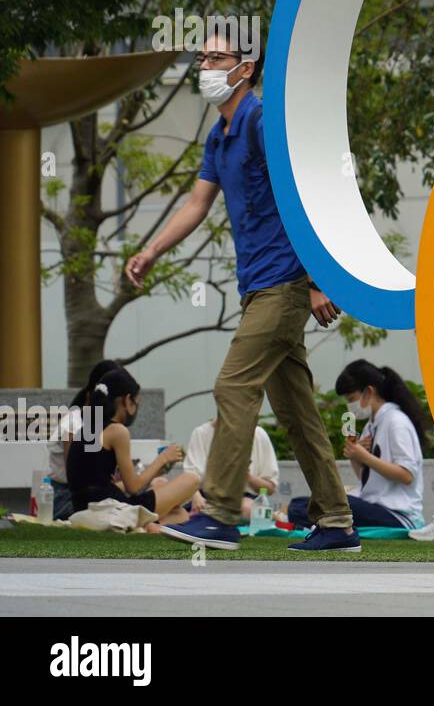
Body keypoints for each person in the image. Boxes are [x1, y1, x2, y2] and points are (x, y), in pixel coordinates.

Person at [124, 33, 359, 553]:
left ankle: (223, 513)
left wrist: (318, 280)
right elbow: (195, 204)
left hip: (285, 283)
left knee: (232, 387)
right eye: (202, 57)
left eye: (216, 58)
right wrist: (151, 250)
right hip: (257, 285)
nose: (204, 66)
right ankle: (338, 522)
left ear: (245, 68)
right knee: (298, 414)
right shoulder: (219, 134)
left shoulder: (260, 121)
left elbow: (303, 195)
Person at [287, 361, 426, 530]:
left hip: (398, 513)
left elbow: (406, 475)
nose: (349, 405)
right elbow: (366, 479)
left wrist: (364, 457)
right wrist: (355, 457)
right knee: (303, 504)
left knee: (312, 506)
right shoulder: (372, 424)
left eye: (351, 399)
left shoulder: (396, 422)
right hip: (374, 505)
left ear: (369, 392)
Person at [66, 365, 199, 523]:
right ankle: (143, 525)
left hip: (84, 508)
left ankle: (149, 526)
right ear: (127, 400)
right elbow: (133, 487)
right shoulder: (117, 431)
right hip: (109, 510)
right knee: (192, 480)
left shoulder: (86, 427)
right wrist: (162, 459)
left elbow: (97, 486)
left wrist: (153, 474)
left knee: (179, 513)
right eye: (136, 404)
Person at [47, 359, 119, 520]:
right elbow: (75, 478)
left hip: (85, 494)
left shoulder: (100, 423)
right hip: (66, 498)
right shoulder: (74, 423)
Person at [184, 417, 279, 522]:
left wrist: (246, 476)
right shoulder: (201, 433)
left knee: (246, 509)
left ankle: (274, 517)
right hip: (206, 499)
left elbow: (270, 487)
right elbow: (190, 477)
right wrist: (196, 497)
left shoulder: (259, 435)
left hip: (244, 499)